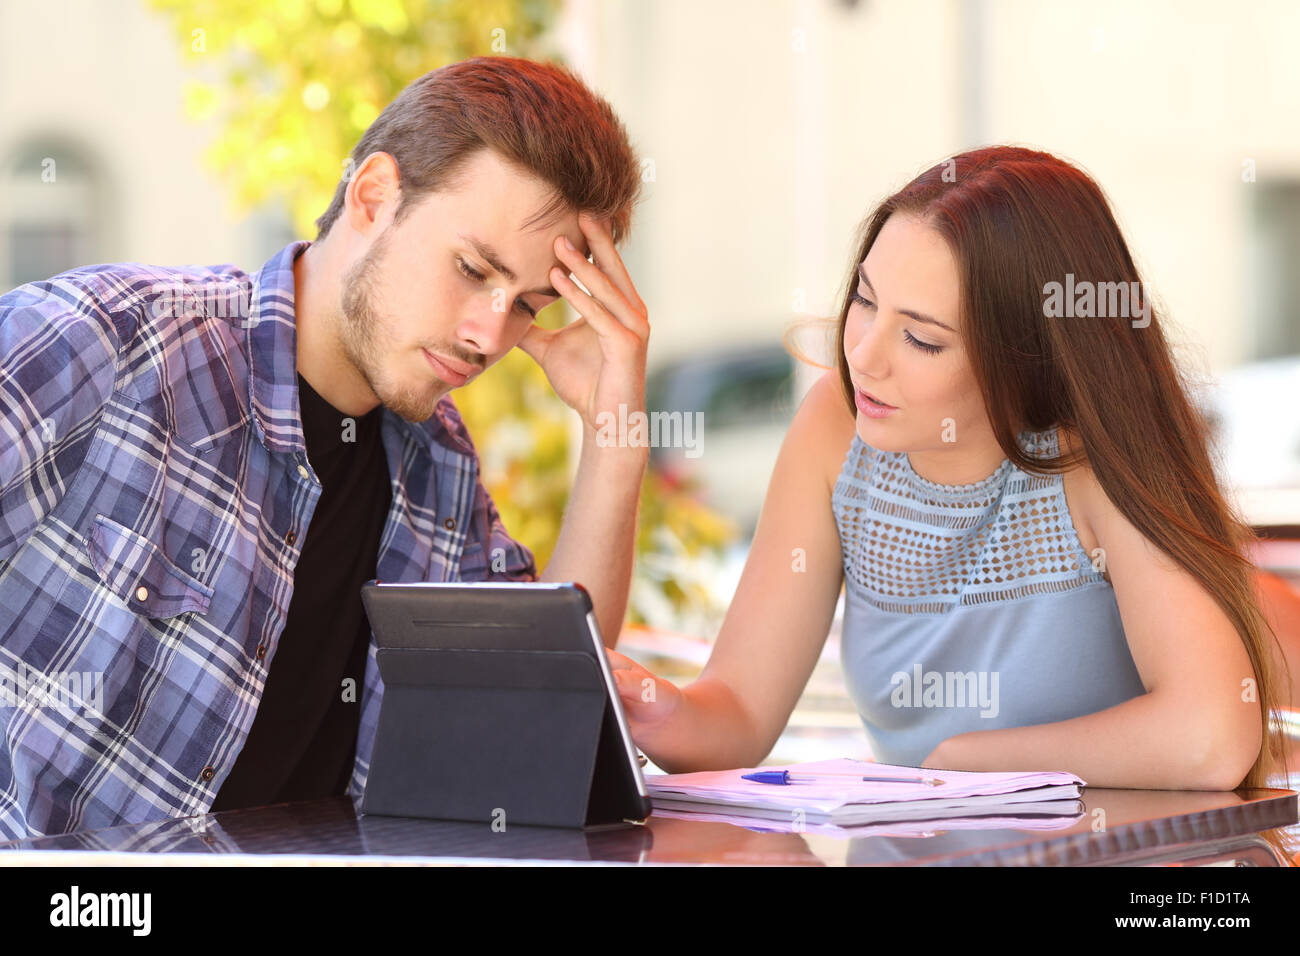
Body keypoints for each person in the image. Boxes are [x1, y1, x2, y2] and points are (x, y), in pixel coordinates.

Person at [0, 56, 650, 839]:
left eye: (529, 308)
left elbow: (537, 729)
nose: (489, 334)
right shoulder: (102, 345)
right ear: (374, 197)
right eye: (473, 269)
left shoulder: (439, 472)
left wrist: (614, 431)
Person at [609, 145, 1291, 792]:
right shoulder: (836, 426)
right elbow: (739, 715)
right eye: (865, 301)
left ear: (1026, 358)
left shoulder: (1091, 458)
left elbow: (1211, 736)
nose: (864, 357)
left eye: (921, 338)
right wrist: (647, 702)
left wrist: (968, 761)